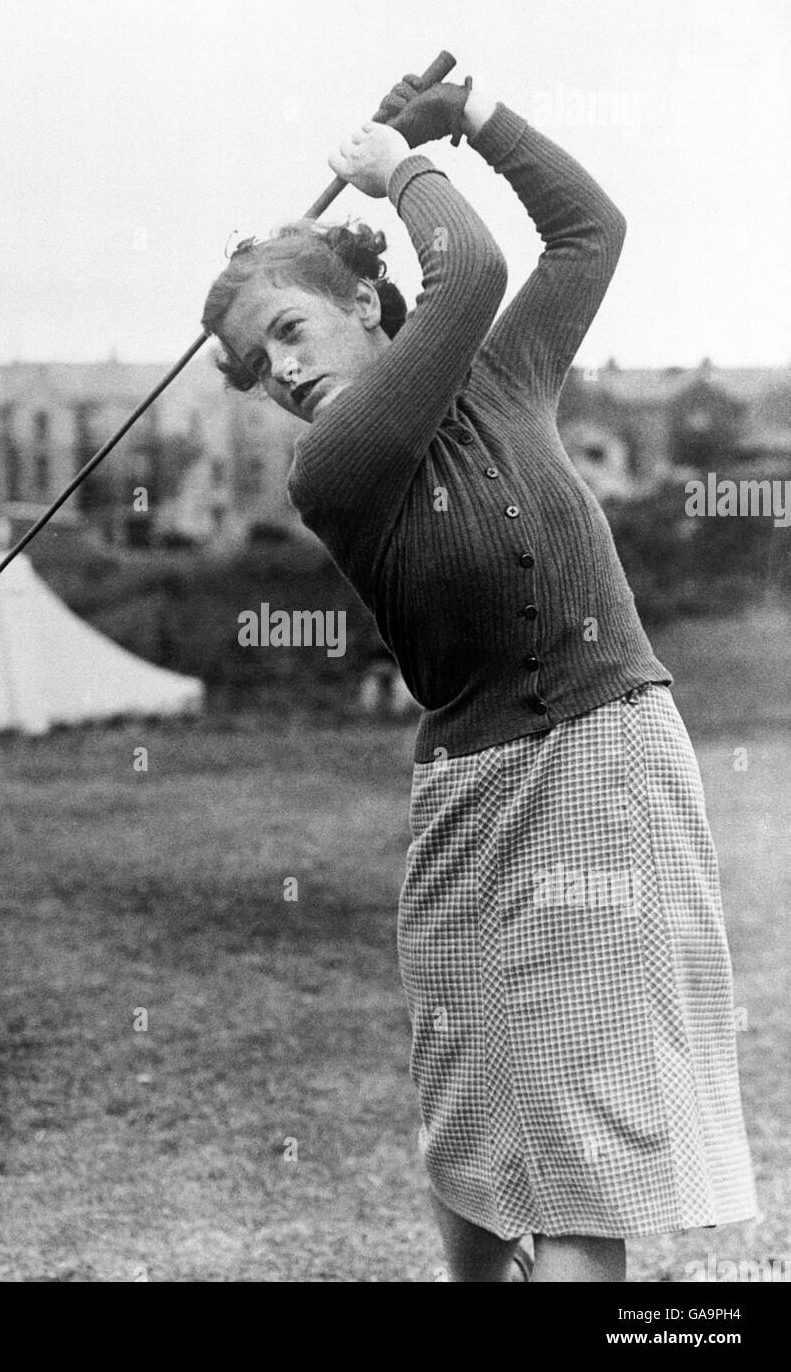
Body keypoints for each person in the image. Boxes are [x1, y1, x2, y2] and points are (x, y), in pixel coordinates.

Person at [200, 72, 758, 1282]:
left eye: (289, 331)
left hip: (606, 761)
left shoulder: (502, 381)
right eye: (257, 367)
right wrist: (399, 166)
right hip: (466, 800)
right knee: (470, 1118)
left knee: (577, 1147)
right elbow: (475, 270)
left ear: (362, 300)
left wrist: (479, 123)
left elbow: (587, 232)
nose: (281, 377)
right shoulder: (336, 465)